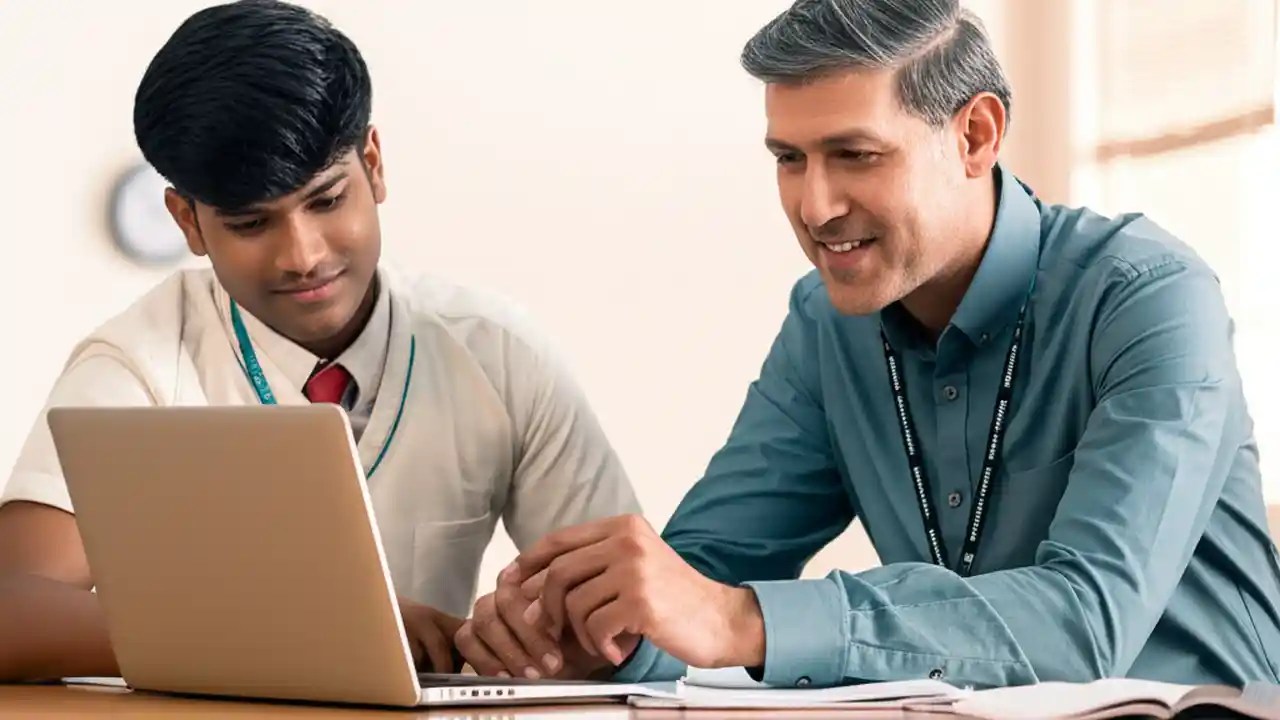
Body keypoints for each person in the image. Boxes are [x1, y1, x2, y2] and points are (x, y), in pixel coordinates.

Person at [457, 0, 1280, 689]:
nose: (814, 207)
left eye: (855, 155)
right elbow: (697, 581)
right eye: (789, 159)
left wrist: (738, 619)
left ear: (976, 136)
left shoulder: (1152, 297)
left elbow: (1085, 622)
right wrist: (602, 634)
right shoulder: (825, 324)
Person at [0, 0, 637, 683]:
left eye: (328, 201)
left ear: (374, 164)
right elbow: (11, 607)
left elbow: (625, 611)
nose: (302, 255)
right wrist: (303, 631)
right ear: (187, 222)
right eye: (250, 224)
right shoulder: (140, 363)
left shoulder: (500, 354)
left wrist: (537, 638)